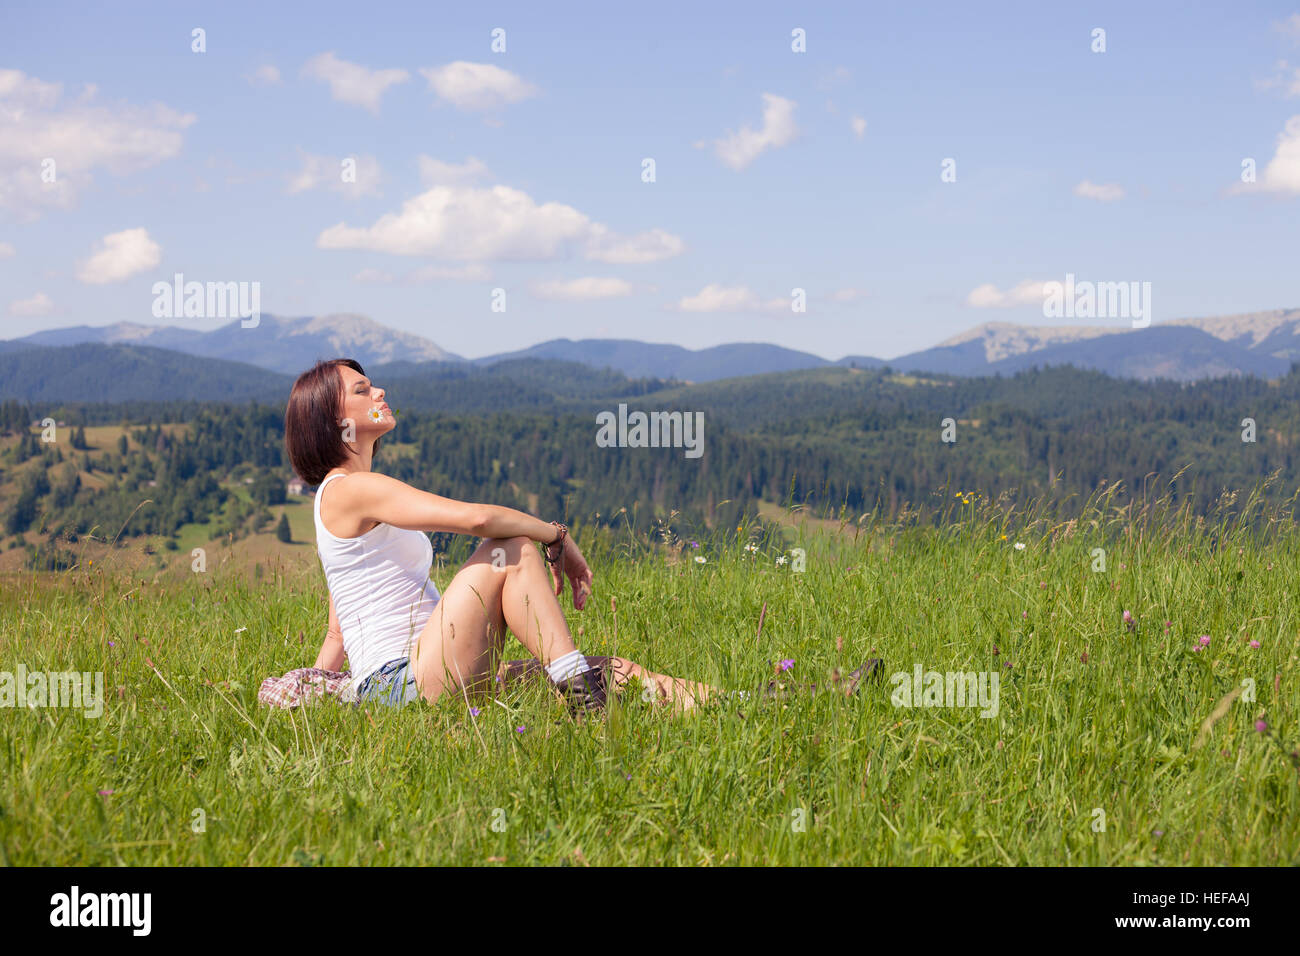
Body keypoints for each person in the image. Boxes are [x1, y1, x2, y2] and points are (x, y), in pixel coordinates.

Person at [283, 358, 718, 716]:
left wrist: (317, 692)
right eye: (362, 391)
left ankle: (732, 705)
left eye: (374, 385)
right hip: (400, 683)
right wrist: (555, 536)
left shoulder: (348, 496)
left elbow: (339, 633)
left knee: (611, 668)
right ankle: (586, 704)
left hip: (425, 670)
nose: (379, 392)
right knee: (508, 549)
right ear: (332, 420)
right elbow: (477, 520)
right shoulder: (350, 489)